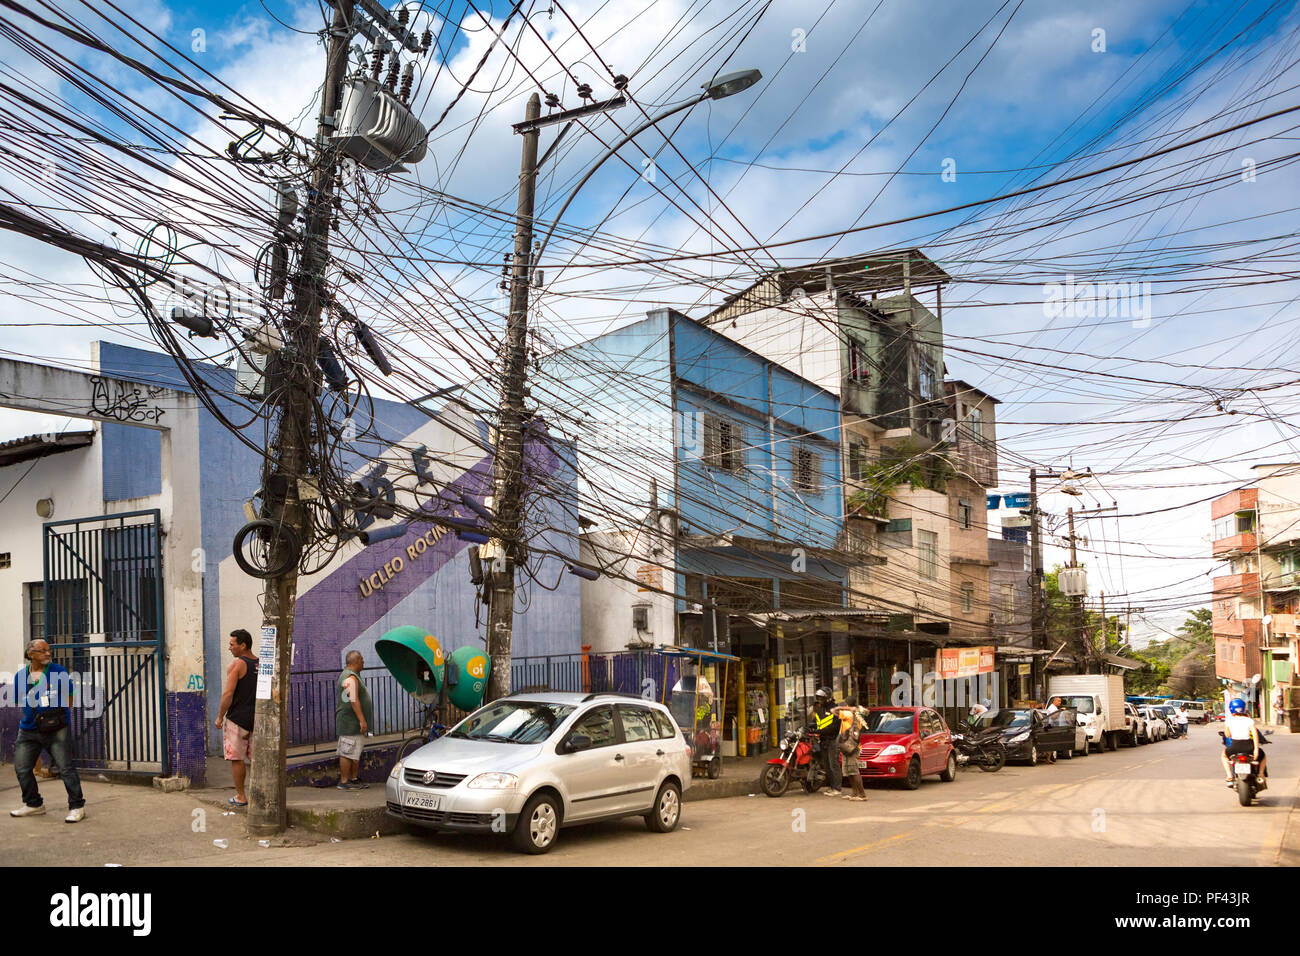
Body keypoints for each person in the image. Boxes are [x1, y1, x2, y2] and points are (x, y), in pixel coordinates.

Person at [10, 639, 86, 822]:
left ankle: (77, 807)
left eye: (48, 650)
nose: (47, 653)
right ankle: (33, 804)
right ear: (31, 654)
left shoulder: (58, 672)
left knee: (65, 767)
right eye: (42, 651)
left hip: (56, 729)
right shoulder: (20, 676)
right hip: (28, 729)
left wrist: (57, 718)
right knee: (22, 768)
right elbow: (19, 701)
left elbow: (69, 698)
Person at [214, 629, 259, 808]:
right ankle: (259, 794)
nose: (229, 648)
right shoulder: (261, 663)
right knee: (257, 759)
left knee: (237, 758)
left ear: (243, 645)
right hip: (257, 719)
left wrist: (219, 717)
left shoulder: (237, 665)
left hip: (237, 719)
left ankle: (241, 796)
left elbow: (228, 694)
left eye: (232, 644)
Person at [336, 649, 373, 790]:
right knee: (347, 752)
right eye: (362, 660)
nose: (363, 663)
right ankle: (345, 781)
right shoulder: (350, 677)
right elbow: (353, 699)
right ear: (356, 661)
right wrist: (362, 719)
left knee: (354, 752)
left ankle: (353, 779)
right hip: (349, 722)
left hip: (353, 722)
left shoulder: (353, 676)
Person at [1220, 698, 1267, 788]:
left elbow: (1228, 735)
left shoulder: (1229, 721)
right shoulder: (1249, 720)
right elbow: (1255, 734)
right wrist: (1256, 750)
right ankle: (1261, 774)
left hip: (1234, 748)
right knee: (1263, 756)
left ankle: (1229, 776)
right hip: (1249, 747)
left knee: (1223, 756)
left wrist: (1226, 727)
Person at [812, 687, 842, 796]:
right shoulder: (820, 709)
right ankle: (831, 786)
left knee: (833, 764)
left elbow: (835, 727)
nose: (819, 700)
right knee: (827, 765)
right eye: (818, 698)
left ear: (828, 698)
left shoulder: (835, 709)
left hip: (832, 740)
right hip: (823, 740)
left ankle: (837, 788)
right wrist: (810, 727)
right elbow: (816, 722)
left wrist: (820, 731)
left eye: (821, 698)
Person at [837, 698, 867, 802]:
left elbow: (834, 711)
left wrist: (841, 707)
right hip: (848, 745)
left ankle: (862, 794)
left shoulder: (849, 714)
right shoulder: (856, 714)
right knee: (849, 771)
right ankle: (854, 793)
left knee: (854, 771)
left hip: (851, 747)